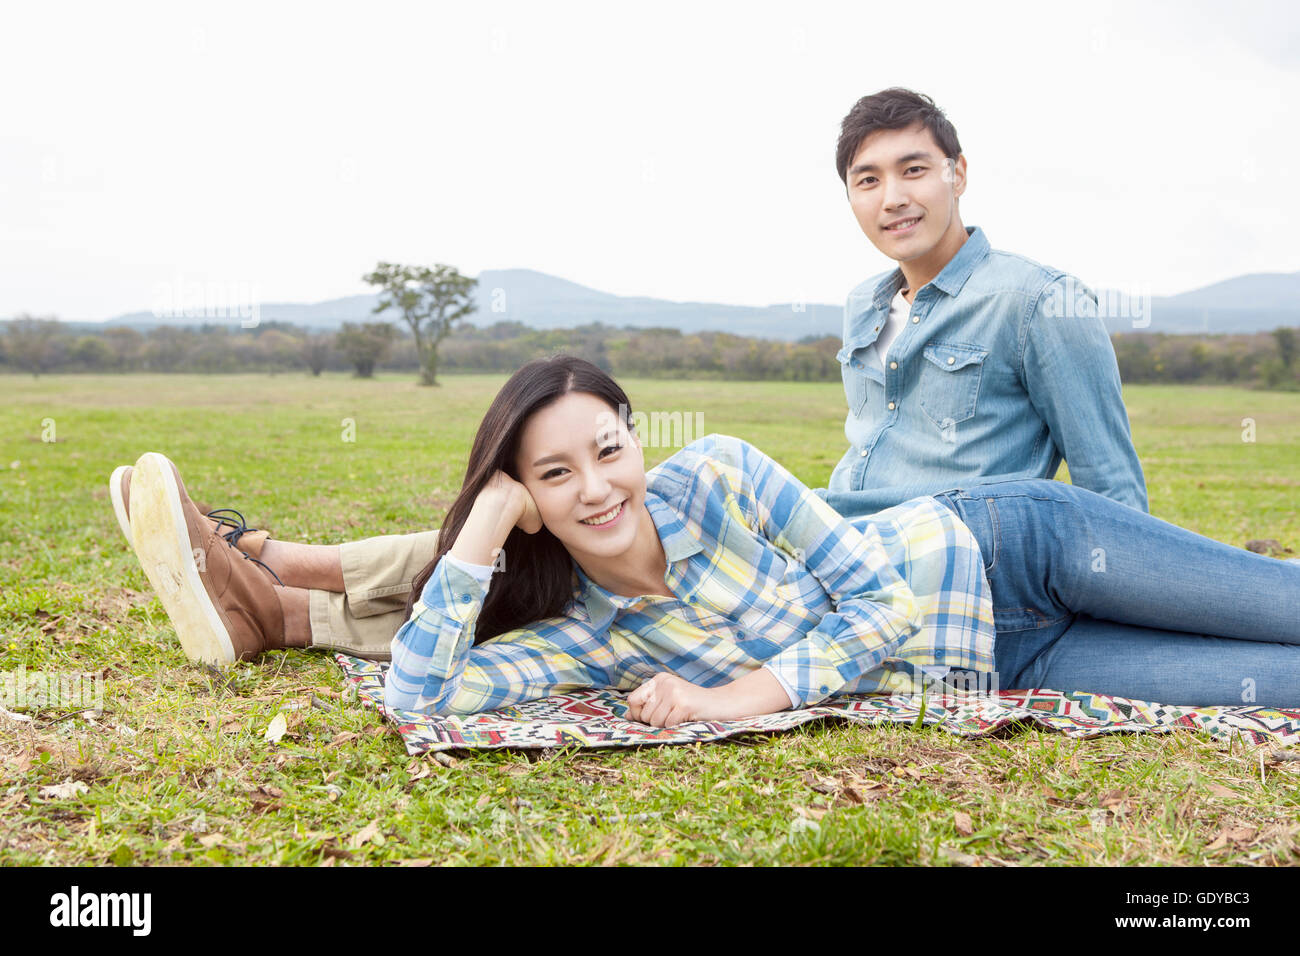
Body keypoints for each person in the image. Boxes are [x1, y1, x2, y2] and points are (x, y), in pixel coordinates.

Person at [122, 357, 1300, 726]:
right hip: (1006, 663)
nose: (597, 486)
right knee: (1279, 688)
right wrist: (480, 522)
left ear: (638, 441)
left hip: (1013, 548)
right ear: (525, 497)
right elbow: (425, 699)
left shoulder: (721, 474)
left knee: (1284, 611)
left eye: (608, 449)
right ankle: (267, 593)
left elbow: (878, 606)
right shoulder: (583, 638)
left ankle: (270, 577)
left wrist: (739, 692)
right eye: (552, 475)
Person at [821, 88, 1148, 518]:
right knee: (720, 471)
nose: (892, 198)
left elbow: (1110, 484)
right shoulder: (863, 302)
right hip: (837, 537)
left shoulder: (1042, 302)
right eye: (868, 180)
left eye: (914, 170)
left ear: (956, 175)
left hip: (950, 557)